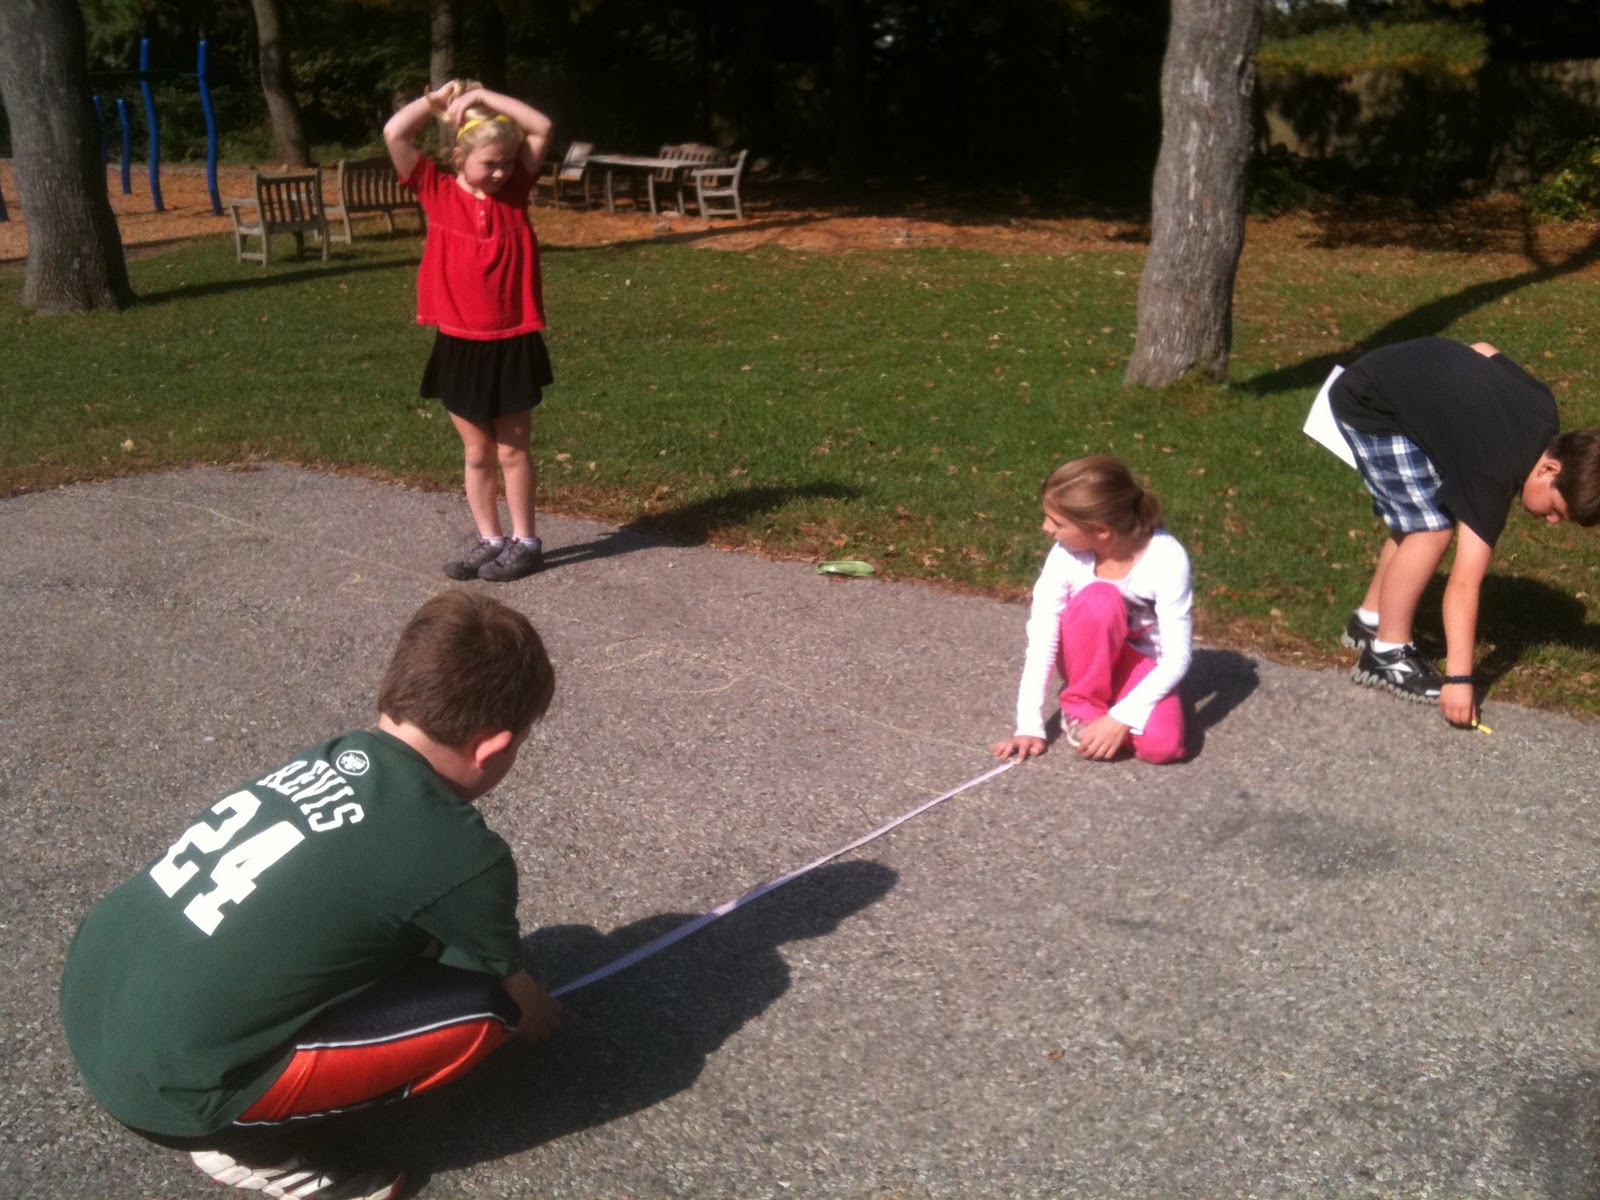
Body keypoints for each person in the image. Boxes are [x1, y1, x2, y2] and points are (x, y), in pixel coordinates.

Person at [60, 591, 563, 1199]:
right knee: (485, 1008)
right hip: (175, 1095)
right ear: (495, 746)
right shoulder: (465, 853)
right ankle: (257, 1152)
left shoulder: (333, 756)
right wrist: (547, 1018)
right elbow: (518, 999)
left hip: (93, 1003)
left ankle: (228, 1085)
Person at [1328, 336, 1600, 727]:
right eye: (1558, 511)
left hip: (1390, 373)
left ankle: (1370, 621)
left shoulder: (1543, 408)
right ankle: (1386, 653)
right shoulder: (1493, 475)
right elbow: (1463, 585)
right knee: (1430, 528)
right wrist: (1459, 678)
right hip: (1369, 404)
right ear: (1550, 470)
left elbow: (1482, 348)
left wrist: (1447, 393)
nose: (1553, 522)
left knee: (1416, 515)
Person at [385, 80, 555, 583]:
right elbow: (396, 133)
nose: (501, 172)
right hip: (459, 342)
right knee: (477, 452)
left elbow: (541, 126)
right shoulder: (434, 191)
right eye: (490, 164)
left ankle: (526, 542)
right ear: (459, 157)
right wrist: (434, 104)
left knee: (512, 448)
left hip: (511, 340)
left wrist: (484, 94)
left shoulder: (516, 192)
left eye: (507, 162)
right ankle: (490, 538)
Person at [991, 455, 1192, 765]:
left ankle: (1111, 704)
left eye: (1056, 523)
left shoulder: (1166, 560)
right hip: (1083, 651)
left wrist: (1118, 719)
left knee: (1162, 748)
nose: (1046, 528)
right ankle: (1083, 703)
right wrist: (1029, 724)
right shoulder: (1066, 556)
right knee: (1100, 598)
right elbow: (1043, 636)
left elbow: (1176, 658)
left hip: (1139, 660)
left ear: (1100, 531)